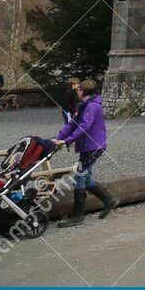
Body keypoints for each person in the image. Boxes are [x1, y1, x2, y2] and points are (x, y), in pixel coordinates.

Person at [54, 79, 116, 226]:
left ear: (82, 91)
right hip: (89, 146)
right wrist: (57, 138)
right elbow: (73, 124)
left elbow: (84, 126)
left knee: (79, 177)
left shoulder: (92, 107)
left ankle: (78, 215)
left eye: (78, 90)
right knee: (86, 177)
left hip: (93, 147)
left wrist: (68, 140)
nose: (77, 92)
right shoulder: (85, 106)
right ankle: (109, 201)